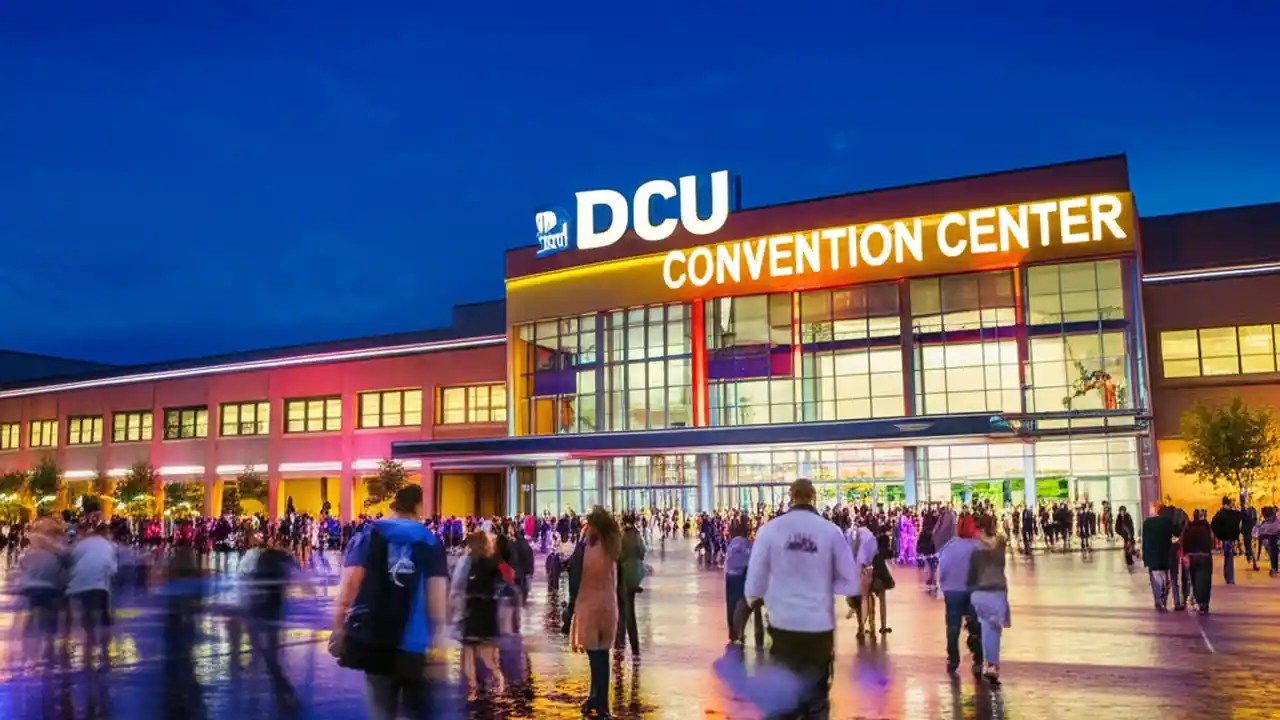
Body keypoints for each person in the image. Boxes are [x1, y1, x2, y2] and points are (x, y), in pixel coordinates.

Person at [332, 485, 449, 720]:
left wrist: (338, 627)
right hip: (414, 645)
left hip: (375, 641)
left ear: (393, 506)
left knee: (381, 712)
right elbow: (437, 601)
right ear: (418, 507)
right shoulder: (430, 541)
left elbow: (349, 587)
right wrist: (439, 643)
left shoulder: (368, 535)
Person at [745, 479, 859, 718]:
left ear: (790, 496)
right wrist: (829, 586)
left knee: (784, 698)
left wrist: (759, 598)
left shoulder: (770, 530)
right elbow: (850, 579)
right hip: (818, 626)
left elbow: (754, 583)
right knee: (816, 698)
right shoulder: (830, 531)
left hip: (783, 624)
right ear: (813, 496)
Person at [571, 507, 621, 719]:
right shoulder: (612, 545)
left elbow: (576, 572)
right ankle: (597, 697)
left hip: (589, 605)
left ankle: (601, 702)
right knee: (602, 655)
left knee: (595, 657)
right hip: (608, 605)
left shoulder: (588, 544)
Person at [451, 531, 503, 701]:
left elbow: (457, 586)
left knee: (469, 653)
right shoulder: (493, 561)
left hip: (471, 612)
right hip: (488, 615)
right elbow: (510, 576)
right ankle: (499, 683)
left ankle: (472, 690)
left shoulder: (467, 561)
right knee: (487, 656)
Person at [16, 517, 67, 665]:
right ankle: (47, 650)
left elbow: (22, 564)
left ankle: (28, 653)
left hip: (31, 587)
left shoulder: (31, 549)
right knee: (49, 618)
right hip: (50, 587)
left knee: (31, 618)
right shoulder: (56, 549)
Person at [67, 520, 117, 669]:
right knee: (103, 615)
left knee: (87, 615)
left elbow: (71, 561)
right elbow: (113, 569)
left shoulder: (81, 544)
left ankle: (88, 649)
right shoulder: (108, 545)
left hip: (80, 584)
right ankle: (104, 649)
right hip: (100, 585)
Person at [937, 514, 983, 676]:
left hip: (952, 591)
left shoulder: (949, 546)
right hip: (973, 590)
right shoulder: (978, 547)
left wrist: (943, 585)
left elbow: (943, 568)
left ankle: (953, 660)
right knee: (976, 626)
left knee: (952, 627)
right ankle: (978, 658)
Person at [968, 513, 1010, 685]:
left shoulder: (975, 548)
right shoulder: (1000, 544)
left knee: (986, 628)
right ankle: (992, 665)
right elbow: (997, 545)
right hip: (997, 590)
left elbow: (971, 572)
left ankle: (988, 663)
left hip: (979, 591)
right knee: (994, 630)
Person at [724, 517, 763, 646]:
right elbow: (754, 556)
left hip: (730, 576)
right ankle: (738, 633)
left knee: (731, 605)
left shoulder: (733, 543)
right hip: (741, 577)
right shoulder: (743, 544)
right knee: (741, 604)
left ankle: (733, 633)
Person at [615, 513, 646, 657]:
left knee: (625, 611)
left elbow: (618, 556)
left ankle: (621, 643)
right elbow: (642, 552)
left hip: (624, 576)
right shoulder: (637, 535)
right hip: (635, 576)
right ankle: (632, 644)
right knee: (628, 608)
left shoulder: (623, 536)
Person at [844, 517, 878, 640]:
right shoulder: (869, 536)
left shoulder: (851, 535)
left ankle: (861, 626)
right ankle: (871, 624)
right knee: (867, 597)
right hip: (867, 569)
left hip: (859, 570)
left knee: (859, 599)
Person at [1142, 505, 1177, 610]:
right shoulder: (1167, 522)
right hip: (1164, 557)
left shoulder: (1147, 523)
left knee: (1155, 579)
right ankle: (1162, 600)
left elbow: (1145, 541)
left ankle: (1158, 600)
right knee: (1164, 579)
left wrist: (1145, 557)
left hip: (1151, 557)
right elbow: (1176, 532)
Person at [1181, 509, 1215, 615]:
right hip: (1205, 557)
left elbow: (1184, 542)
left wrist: (1186, 554)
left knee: (1195, 580)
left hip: (1192, 557)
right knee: (1206, 580)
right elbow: (1211, 543)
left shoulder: (1189, 528)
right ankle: (1204, 603)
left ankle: (1199, 601)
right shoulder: (1206, 527)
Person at [1210, 496, 1242, 585]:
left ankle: (1227, 576)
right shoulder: (1231, 514)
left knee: (1227, 557)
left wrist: (1218, 536)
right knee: (1229, 558)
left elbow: (1213, 525)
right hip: (1230, 539)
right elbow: (1237, 523)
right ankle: (1230, 578)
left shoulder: (1219, 514)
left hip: (1224, 539)